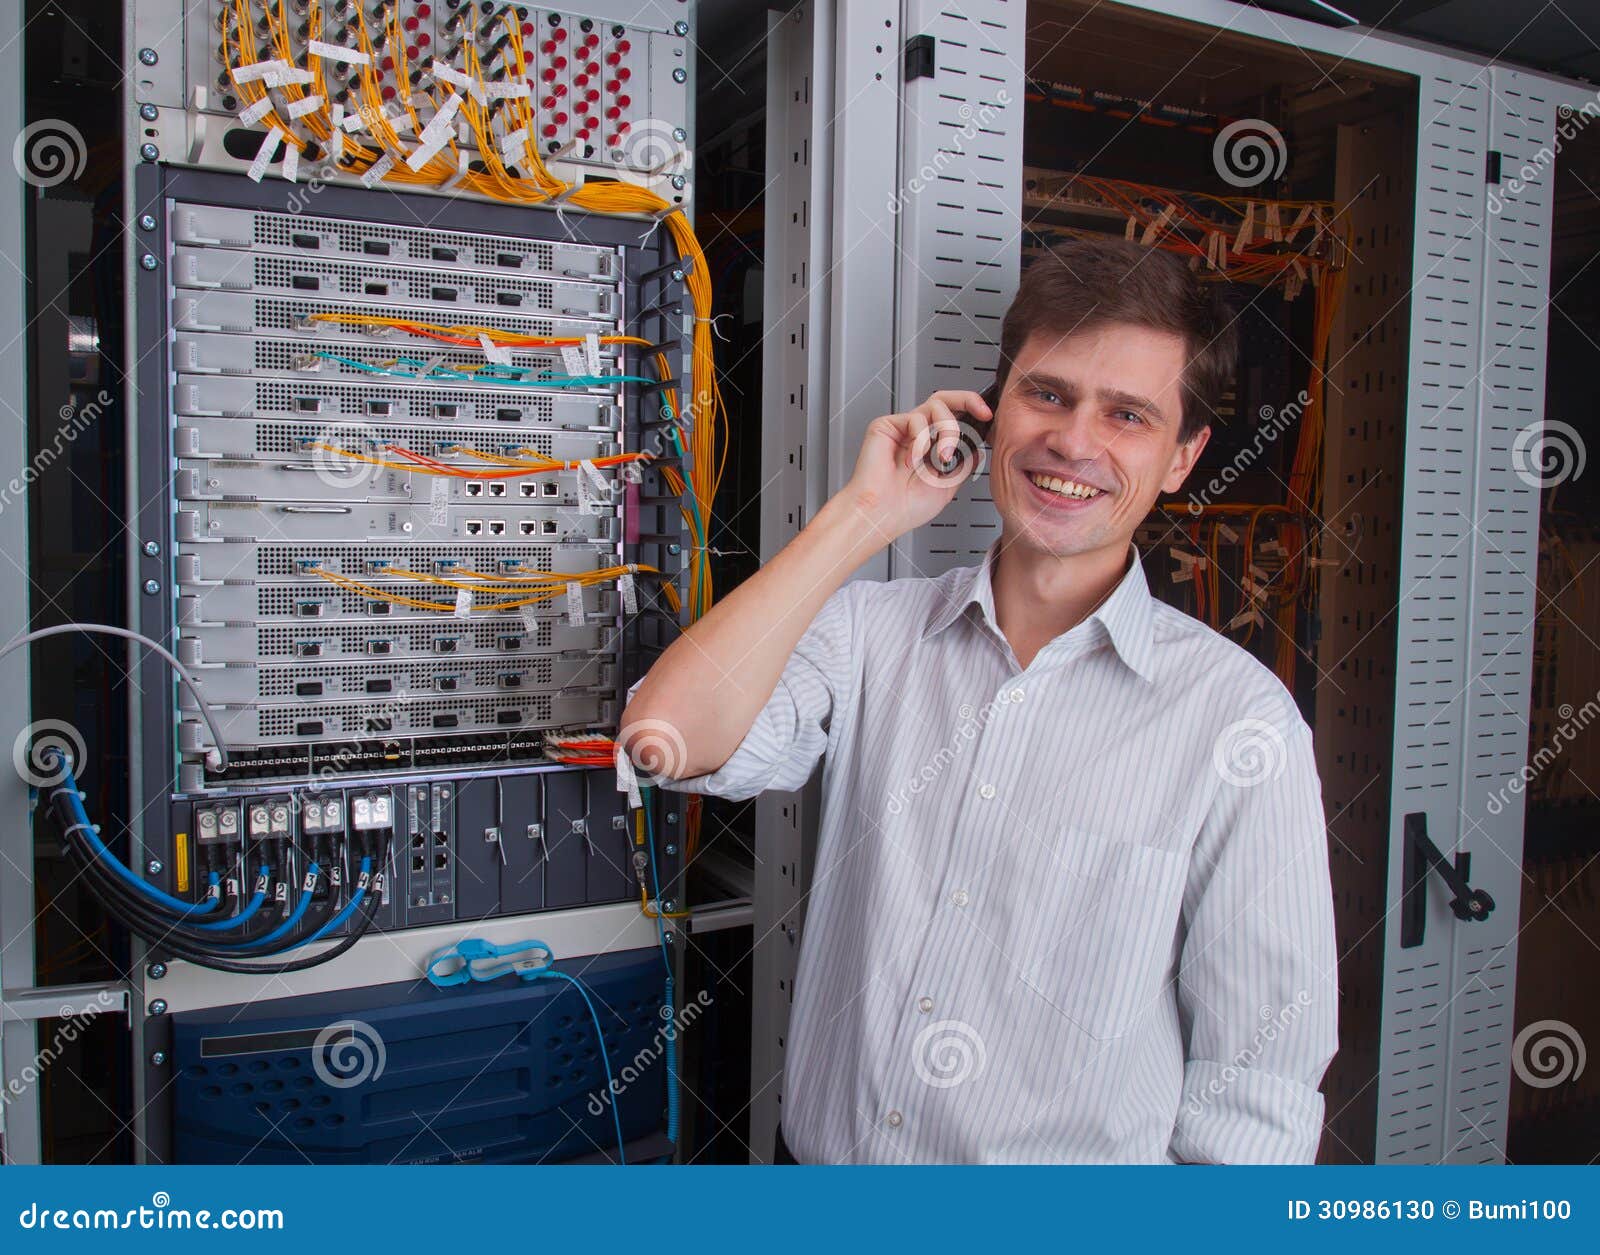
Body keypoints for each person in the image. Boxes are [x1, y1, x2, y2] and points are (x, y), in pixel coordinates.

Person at [620, 236, 1338, 1164]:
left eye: (1127, 415)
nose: (1074, 442)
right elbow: (667, 736)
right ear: (993, 414)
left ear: (1182, 457)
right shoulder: (872, 633)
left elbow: (1257, 1088)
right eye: (1049, 394)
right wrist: (864, 517)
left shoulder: (1240, 721)